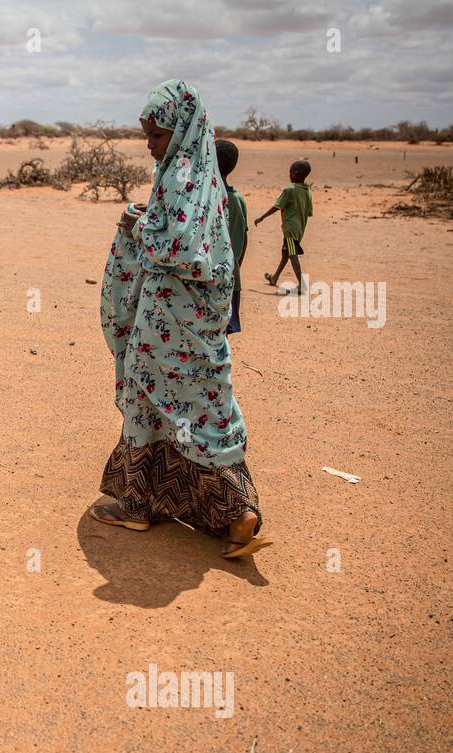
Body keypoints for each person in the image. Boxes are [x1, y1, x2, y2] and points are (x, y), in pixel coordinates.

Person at [95, 79, 270, 559]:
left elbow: (185, 250)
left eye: (156, 136)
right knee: (197, 406)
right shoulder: (205, 176)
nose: (150, 147)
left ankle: (144, 503)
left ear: (181, 129)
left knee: (153, 399)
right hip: (189, 321)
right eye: (147, 136)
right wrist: (149, 216)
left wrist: (139, 226)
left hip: (170, 320)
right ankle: (232, 512)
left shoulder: (181, 175)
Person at [257, 159, 313, 293]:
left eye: (290, 172)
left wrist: (262, 217)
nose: (289, 175)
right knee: (285, 253)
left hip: (290, 230)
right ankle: (274, 277)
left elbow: (277, 206)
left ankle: (302, 284)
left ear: (296, 172)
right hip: (299, 229)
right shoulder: (308, 191)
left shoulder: (290, 190)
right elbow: (309, 212)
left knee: (292, 254)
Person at [215, 139, 247, 334]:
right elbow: (244, 238)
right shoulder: (238, 200)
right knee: (223, 332)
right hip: (232, 275)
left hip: (210, 278)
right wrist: (235, 268)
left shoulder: (210, 198)